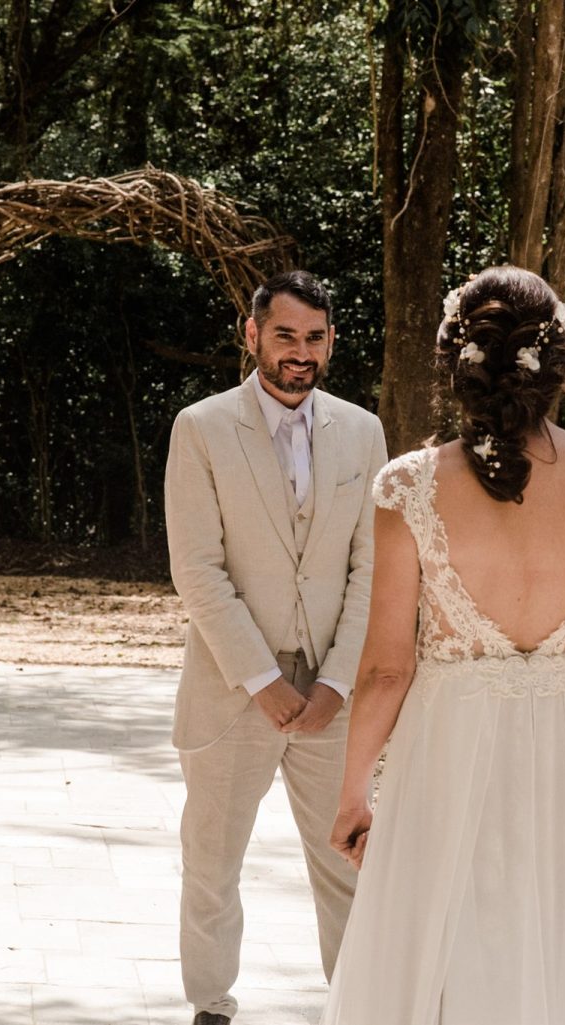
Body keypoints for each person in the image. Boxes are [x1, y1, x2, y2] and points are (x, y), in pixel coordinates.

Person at [322, 266, 565, 1024]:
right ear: (558, 365)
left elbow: (385, 669)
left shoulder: (409, 486)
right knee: (557, 951)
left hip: (450, 739)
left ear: (456, 362)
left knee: (440, 941)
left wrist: (351, 792)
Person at [164, 270, 389, 1025]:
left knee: (349, 859)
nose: (301, 352)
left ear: (331, 342)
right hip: (233, 690)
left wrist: (336, 682)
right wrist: (262, 678)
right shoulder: (200, 427)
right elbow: (196, 569)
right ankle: (212, 1007)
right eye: (286, 335)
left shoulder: (363, 431)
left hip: (332, 690)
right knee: (212, 861)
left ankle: (358, 1006)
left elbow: (372, 568)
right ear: (253, 333)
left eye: (315, 338)